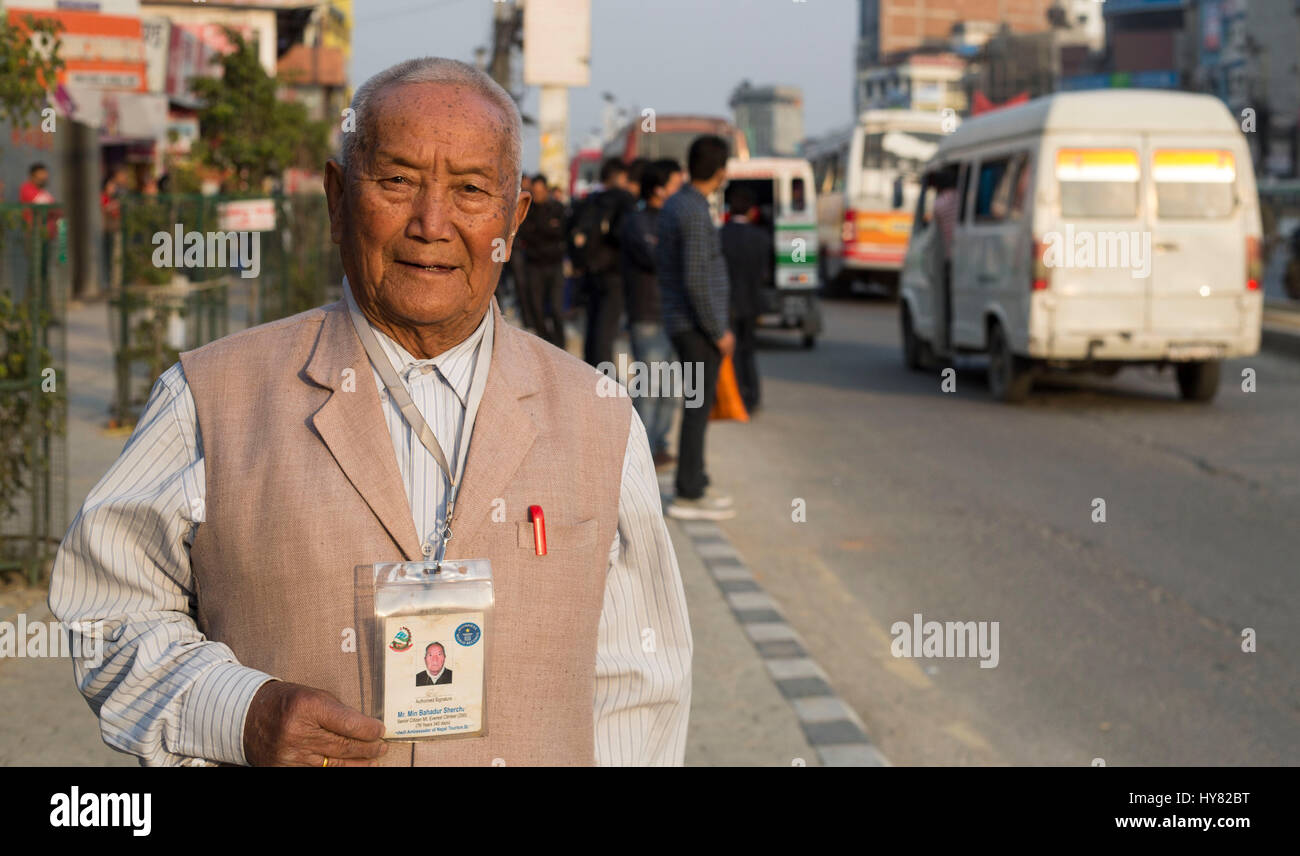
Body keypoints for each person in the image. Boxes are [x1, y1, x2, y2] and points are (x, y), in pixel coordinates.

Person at [50, 57, 692, 768]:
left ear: (514, 219)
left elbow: (642, 687)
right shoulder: (210, 398)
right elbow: (103, 609)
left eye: (472, 191)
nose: (432, 223)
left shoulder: (597, 418)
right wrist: (235, 712)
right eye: (397, 181)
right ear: (337, 197)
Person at [656, 135, 735, 521]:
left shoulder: (680, 204)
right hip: (696, 327)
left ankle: (696, 481)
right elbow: (697, 280)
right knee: (697, 409)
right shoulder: (692, 211)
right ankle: (689, 492)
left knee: (696, 408)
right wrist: (718, 330)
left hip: (683, 322)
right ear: (721, 171)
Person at [620, 161, 677, 468]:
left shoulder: (671, 220)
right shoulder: (636, 222)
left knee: (673, 390)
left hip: (674, 316)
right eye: (675, 184)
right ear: (658, 189)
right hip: (647, 314)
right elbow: (653, 257)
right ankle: (640, 454)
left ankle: (660, 444)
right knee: (650, 387)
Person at [571, 158, 635, 368]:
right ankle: (603, 382)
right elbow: (622, 233)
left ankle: (590, 375)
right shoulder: (623, 199)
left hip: (590, 270)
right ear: (618, 176)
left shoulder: (590, 199)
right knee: (606, 331)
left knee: (592, 327)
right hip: (613, 271)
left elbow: (571, 231)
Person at [719, 185, 768, 414]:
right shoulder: (761, 237)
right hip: (752, 302)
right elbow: (764, 273)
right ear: (752, 211)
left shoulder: (720, 235)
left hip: (727, 303)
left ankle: (736, 396)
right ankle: (753, 396)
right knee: (749, 350)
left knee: (733, 352)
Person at [515, 173, 567, 348]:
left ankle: (561, 345)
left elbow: (561, 233)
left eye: (540, 191)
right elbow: (525, 235)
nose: (537, 194)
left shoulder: (558, 209)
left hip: (555, 265)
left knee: (556, 309)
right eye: (534, 191)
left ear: (546, 190)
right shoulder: (527, 211)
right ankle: (546, 342)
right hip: (534, 265)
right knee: (536, 308)